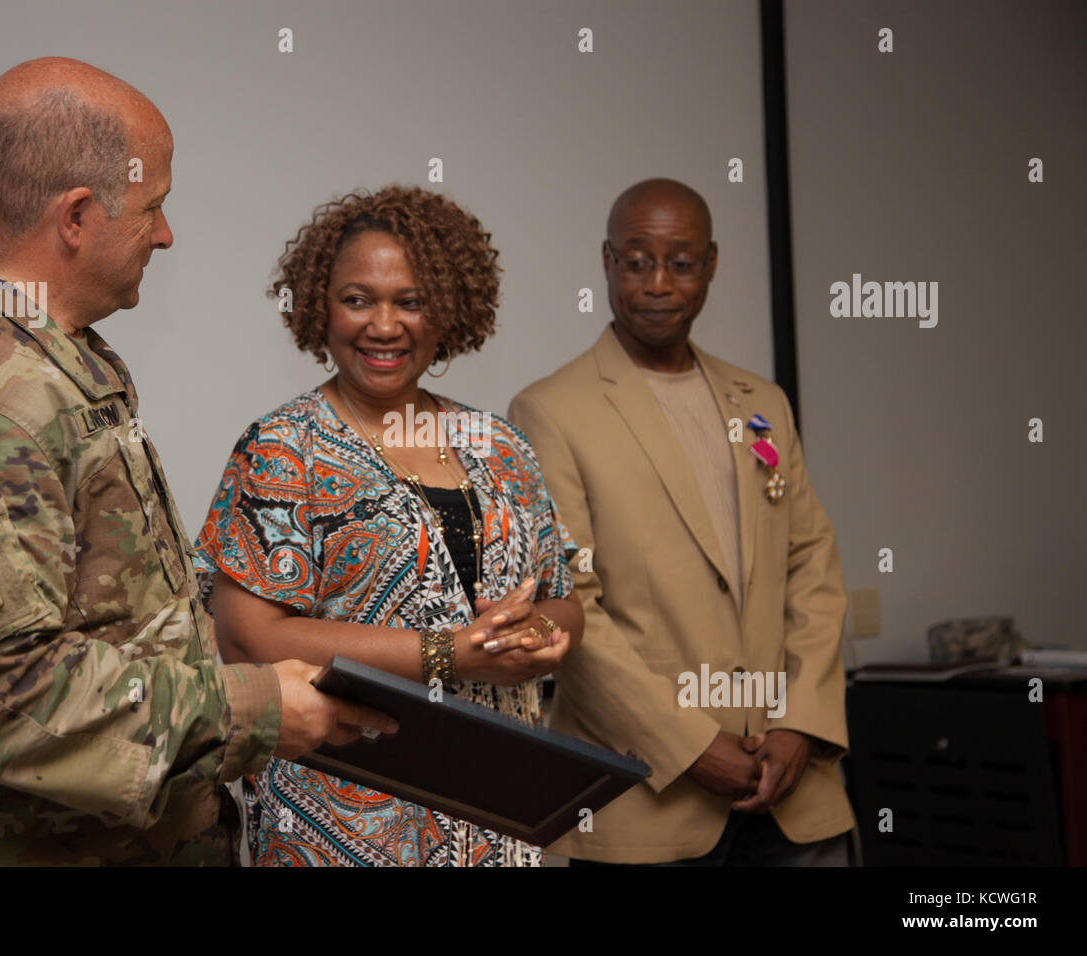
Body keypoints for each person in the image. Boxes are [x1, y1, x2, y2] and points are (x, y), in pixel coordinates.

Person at [0, 57, 392, 866]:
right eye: (153, 207)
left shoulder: (51, 365)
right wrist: (253, 711)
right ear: (78, 216)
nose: (165, 233)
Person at [195, 185, 583, 866]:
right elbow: (249, 638)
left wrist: (541, 635)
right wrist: (446, 653)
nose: (383, 324)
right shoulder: (283, 449)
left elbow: (564, 597)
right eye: (358, 299)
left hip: (496, 818)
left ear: (449, 309)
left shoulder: (499, 445)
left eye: (410, 301)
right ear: (322, 307)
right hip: (339, 820)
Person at [508, 178, 854, 865]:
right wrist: (690, 747)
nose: (659, 283)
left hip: (794, 795)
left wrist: (800, 725)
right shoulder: (550, 411)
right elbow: (571, 610)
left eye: (682, 262)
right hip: (645, 806)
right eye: (637, 262)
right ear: (608, 264)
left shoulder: (762, 403)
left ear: (712, 265)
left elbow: (811, 568)